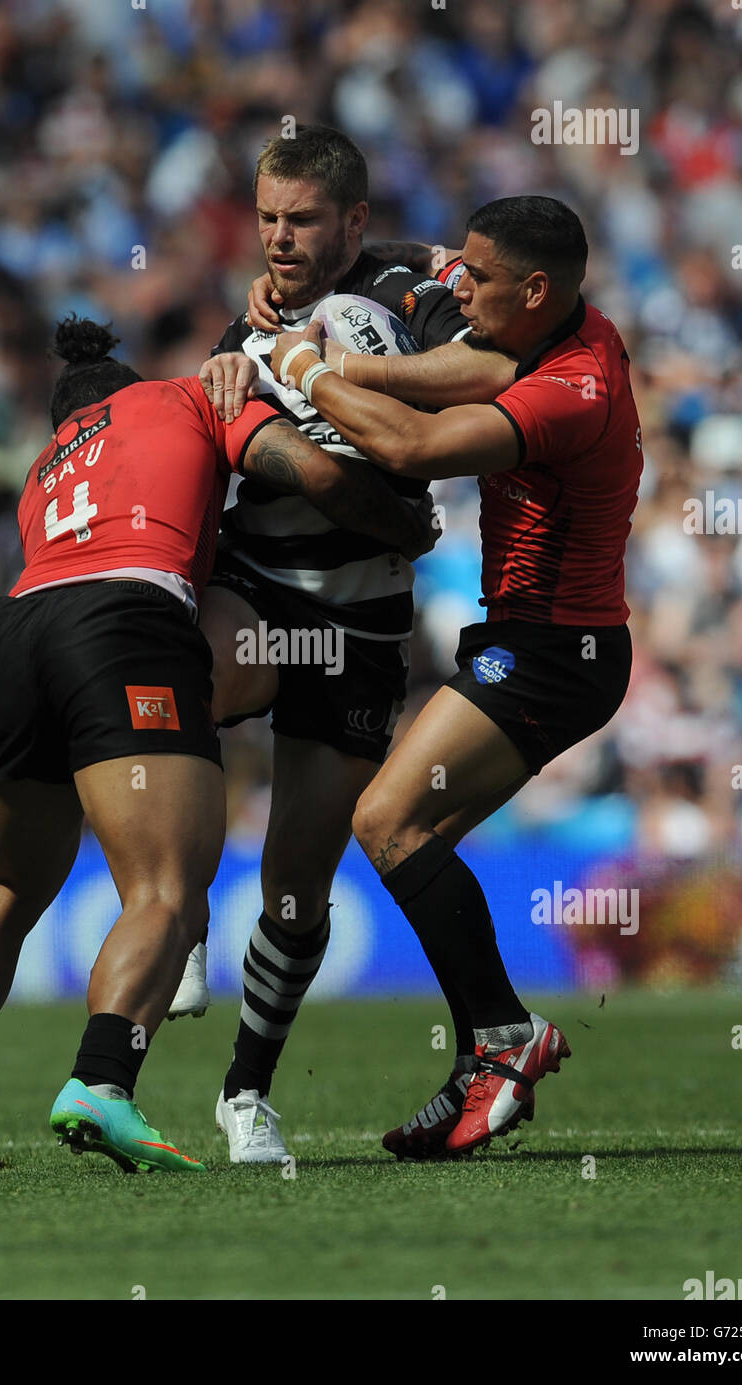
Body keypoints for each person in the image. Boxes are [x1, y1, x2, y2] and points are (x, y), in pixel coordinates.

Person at [0, 315, 432, 1174]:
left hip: (9, 634)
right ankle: (101, 1082)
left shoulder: (46, 466)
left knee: (9, 885)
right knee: (166, 886)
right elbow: (313, 469)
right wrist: (400, 525)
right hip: (124, 621)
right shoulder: (180, 397)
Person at [269, 195, 643, 1158]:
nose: (457, 286)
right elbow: (408, 258)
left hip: (558, 655)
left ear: (536, 290)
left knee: (388, 820)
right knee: (408, 831)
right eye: (462, 268)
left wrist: (308, 363)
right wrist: (330, 272)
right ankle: (491, 1047)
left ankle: (501, 1042)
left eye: (477, 279)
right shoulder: (524, 308)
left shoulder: (576, 386)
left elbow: (413, 447)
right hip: (527, 640)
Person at [177, 124, 515, 1164]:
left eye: (303, 220)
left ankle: (245, 1095)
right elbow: (236, 409)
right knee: (179, 683)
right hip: (258, 585)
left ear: (353, 220)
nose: (279, 239)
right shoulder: (256, 312)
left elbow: (496, 361)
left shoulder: (414, 302)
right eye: (269, 218)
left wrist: (414, 272)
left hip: (362, 618)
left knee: (296, 885)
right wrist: (230, 370)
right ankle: (179, 905)